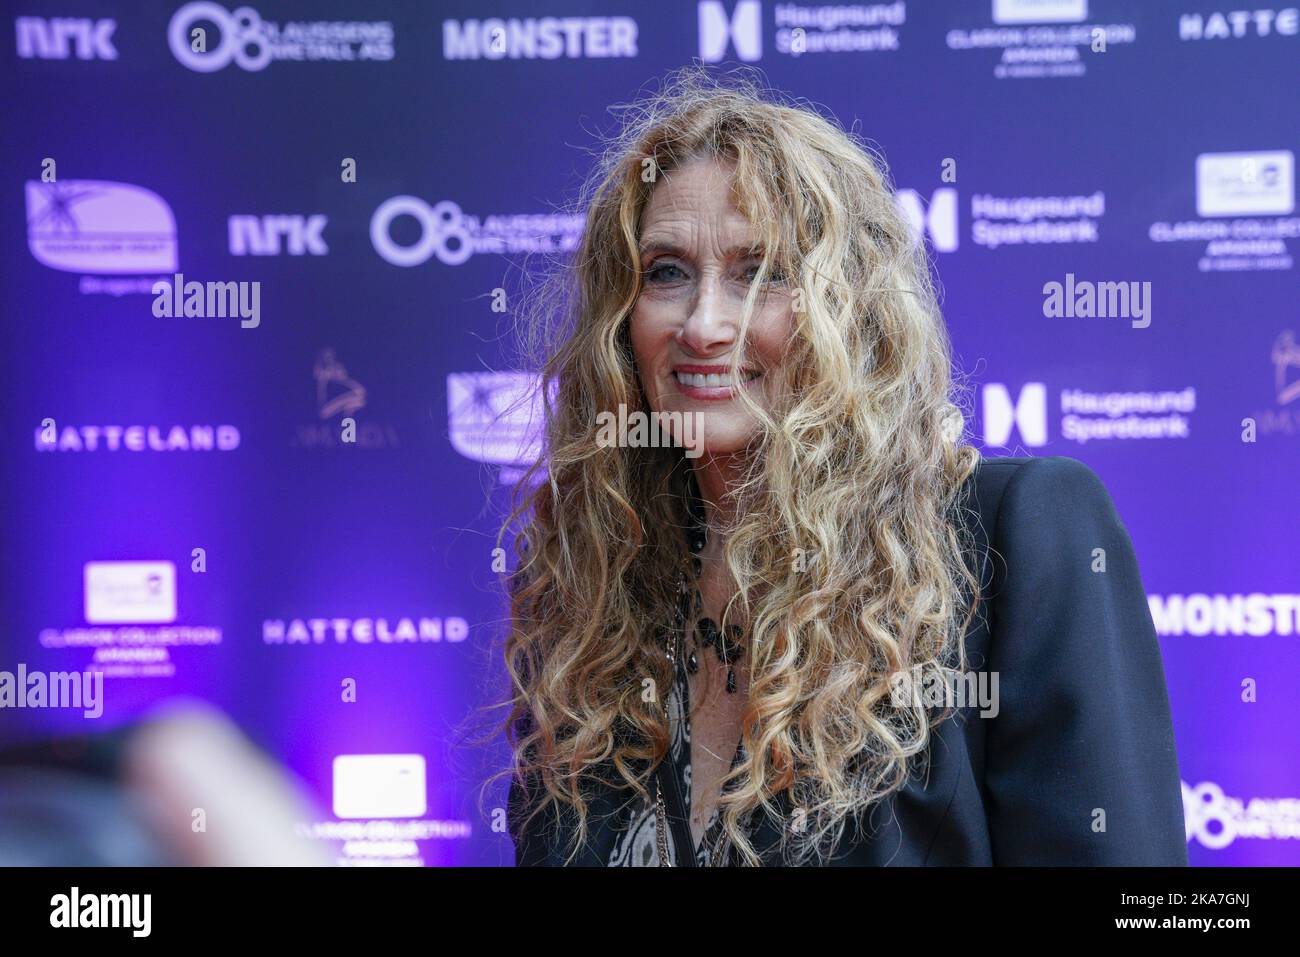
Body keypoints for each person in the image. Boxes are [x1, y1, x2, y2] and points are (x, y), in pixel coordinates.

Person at [498, 68, 1186, 867]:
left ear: (847, 309)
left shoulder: (1013, 535)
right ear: (623, 320)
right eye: (667, 272)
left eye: (762, 273)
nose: (705, 324)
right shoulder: (587, 598)